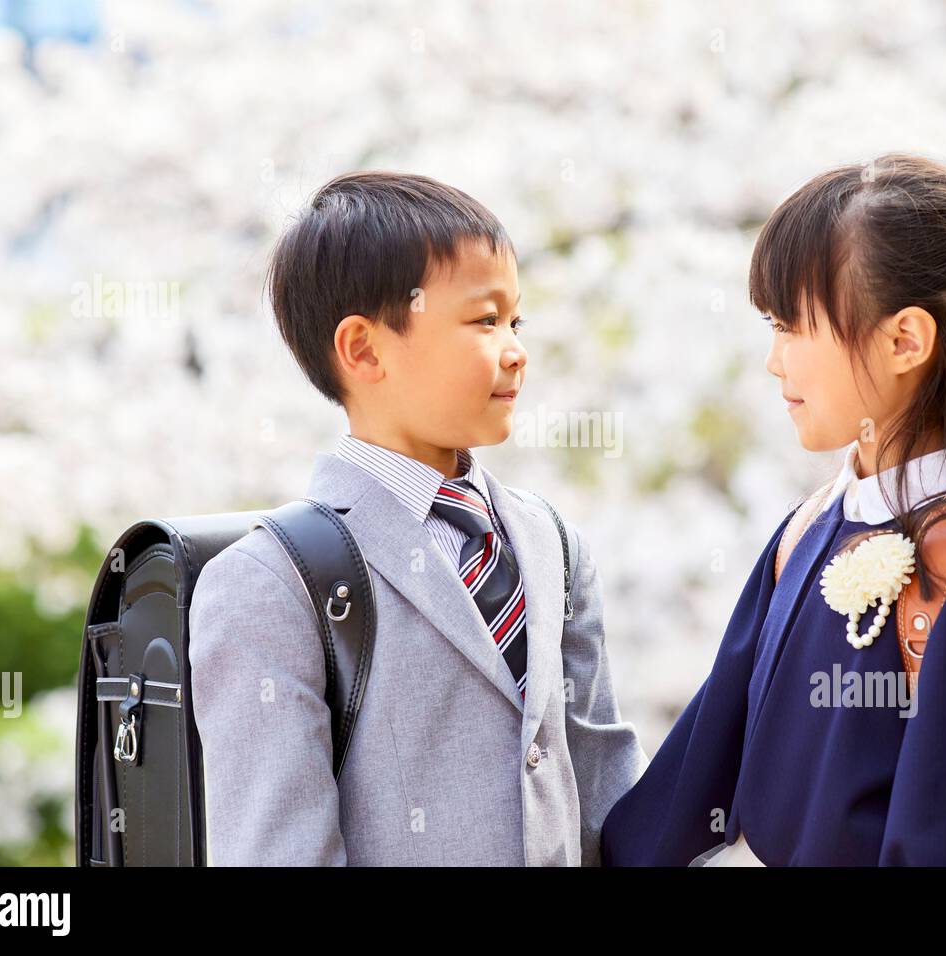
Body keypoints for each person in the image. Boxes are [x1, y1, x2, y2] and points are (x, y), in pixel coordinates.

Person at [601, 153, 946, 866]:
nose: (774, 361)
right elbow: (687, 789)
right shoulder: (810, 527)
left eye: (793, 327)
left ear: (905, 339)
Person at [189, 171, 646, 865]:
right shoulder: (269, 584)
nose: (516, 348)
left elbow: (609, 790)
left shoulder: (551, 543)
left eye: (516, 320)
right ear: (365, 349)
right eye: (484, 321)